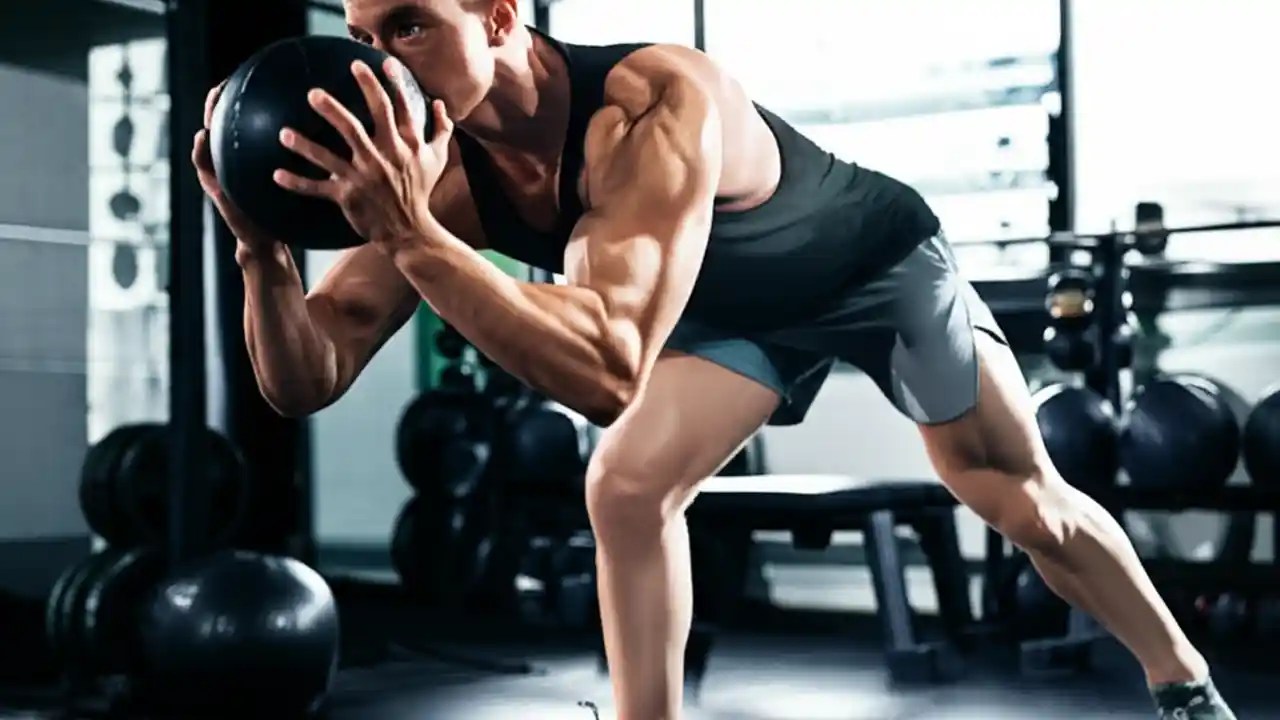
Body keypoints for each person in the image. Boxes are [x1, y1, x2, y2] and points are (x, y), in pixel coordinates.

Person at [191, 1, 1236, 718]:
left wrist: (417, 239)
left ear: (500, 15)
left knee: (1012, 496)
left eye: (410, 25)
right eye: (363, 31)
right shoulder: (434, 173)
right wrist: (261, 255)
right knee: (627, 486)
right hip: (735, 315)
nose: (377, 59)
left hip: (872, 266)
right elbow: (304, 380)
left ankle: (1181, 679)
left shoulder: (647, 104)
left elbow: (605, 370)